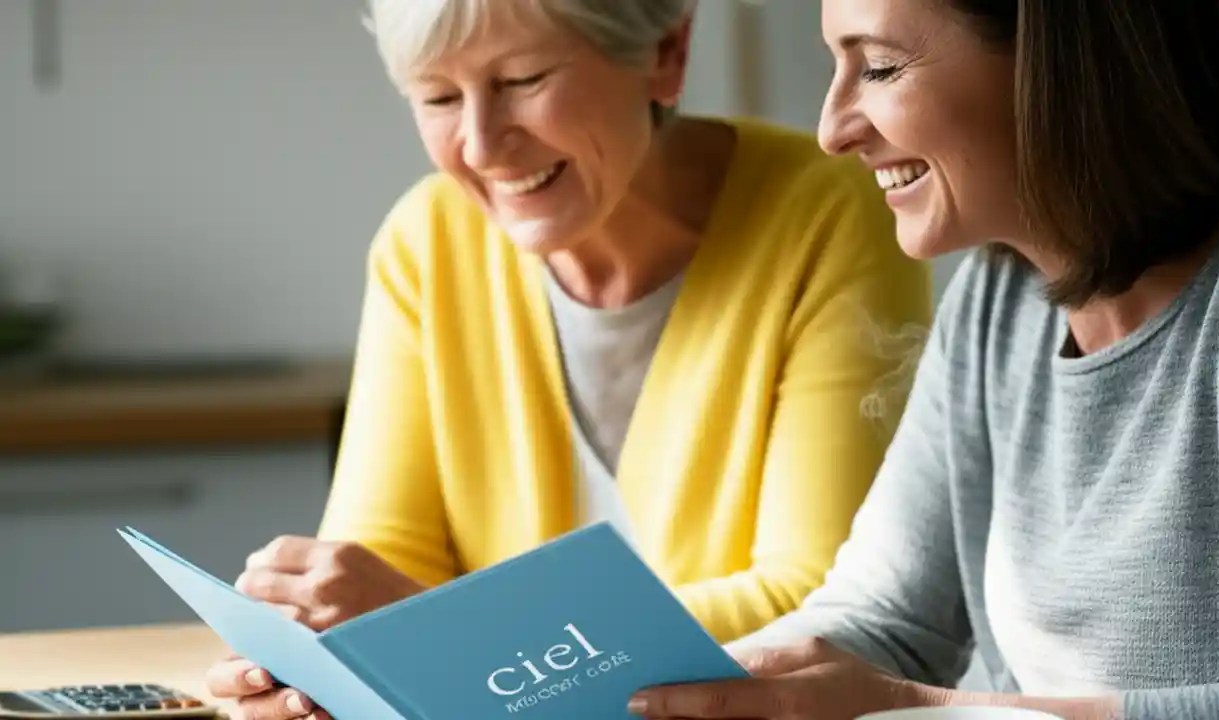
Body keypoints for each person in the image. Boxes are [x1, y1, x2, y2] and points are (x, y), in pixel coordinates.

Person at [204, 0, 932, 717]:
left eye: (523, 81)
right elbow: (381, 570)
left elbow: (816, 600)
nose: (483, 146)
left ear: (665, 55)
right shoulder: (425, 242)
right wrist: (315, 660)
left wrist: (460, 637)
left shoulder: (831, 211)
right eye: (438, 96)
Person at [625, 0, 1219, 719]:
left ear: (1056, 61)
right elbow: (883, 619)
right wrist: (683, 697)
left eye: (877, 67)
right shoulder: (999, 301)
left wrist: (924, 708)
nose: (833, 129)